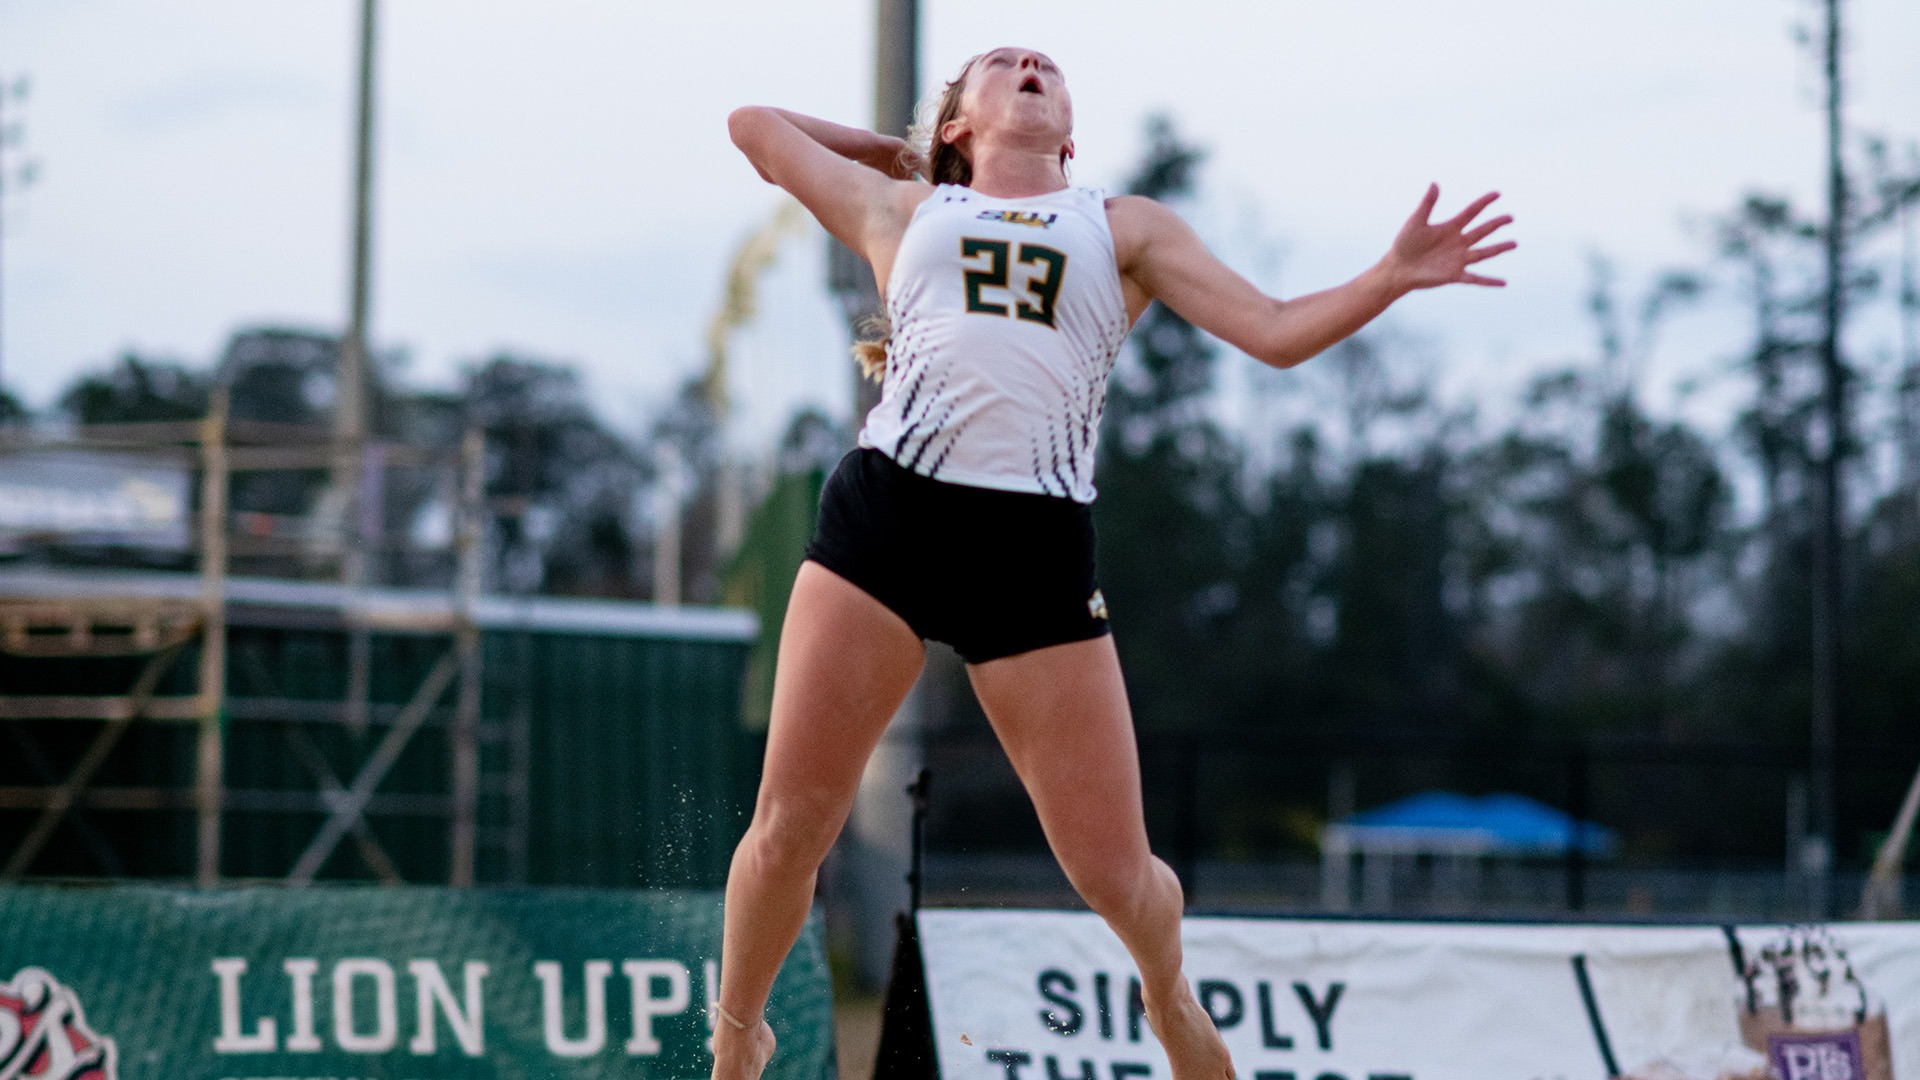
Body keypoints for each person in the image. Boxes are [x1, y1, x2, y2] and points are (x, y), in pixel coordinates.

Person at [715, 47, 1514, 1080]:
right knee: (790, 828)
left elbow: (1271, 333)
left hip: (1034, 552)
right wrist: (901, 152)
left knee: (1115, 877)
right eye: (999, 65)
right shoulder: (902, 212)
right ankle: (739, 1033)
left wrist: (1389, 277)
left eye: (1043, 63)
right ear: (959, 122)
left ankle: (1166, 989)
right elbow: (753, 128)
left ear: (1073, 132)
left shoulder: (1121, 226)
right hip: (889, 521)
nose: (1029, 65)